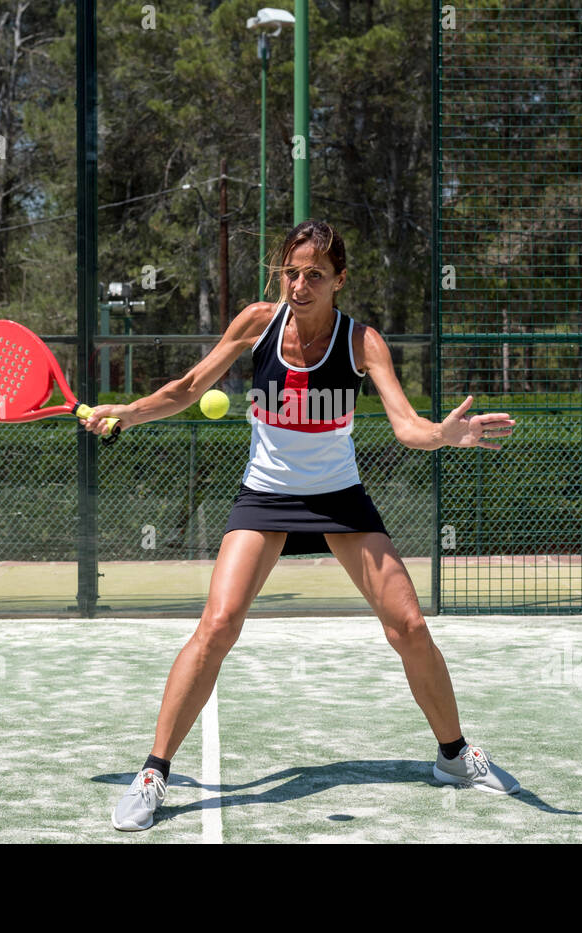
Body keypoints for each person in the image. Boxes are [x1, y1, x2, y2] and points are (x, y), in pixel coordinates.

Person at [81, 220, 518, 832]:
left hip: (340, 499)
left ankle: (454, 755)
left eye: (315, 274)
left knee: (410, 625)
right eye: (291, 271)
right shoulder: (258, 323)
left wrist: (444, 436)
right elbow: (186, 388)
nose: (300, 284)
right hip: (265, 496)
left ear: (339, 280)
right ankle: (154, 772)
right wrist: (126, 412)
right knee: (218, 625)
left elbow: (407, 426)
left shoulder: (362, 342)